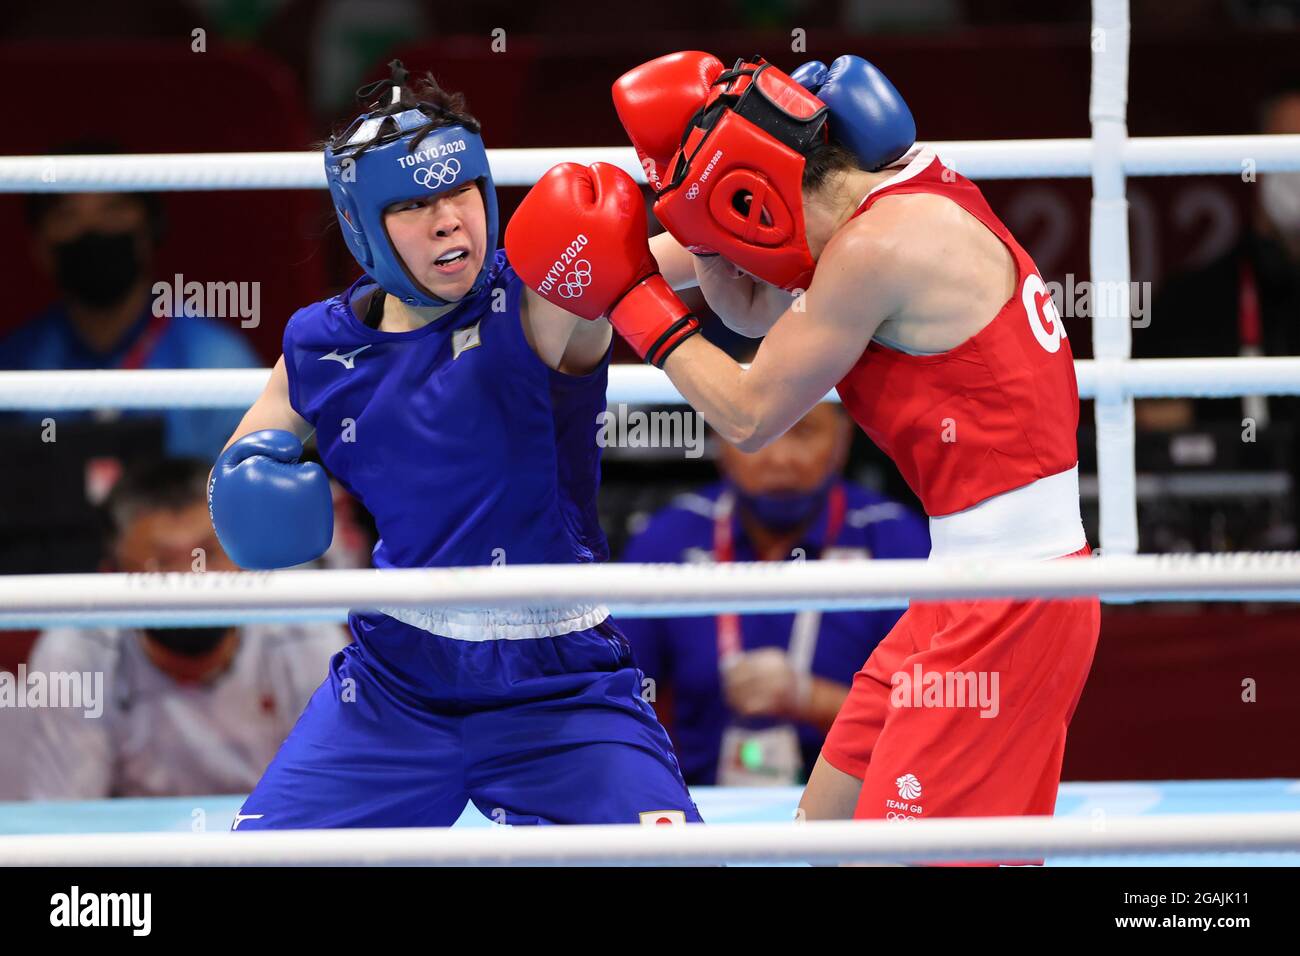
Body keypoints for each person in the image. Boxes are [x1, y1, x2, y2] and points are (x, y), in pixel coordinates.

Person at [506, 52, 1101, 836]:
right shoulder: (883, 186)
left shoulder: (874, 253)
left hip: (1017, 600)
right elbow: (721, 280)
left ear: (756, 200)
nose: (727, 260)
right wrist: (550, 268)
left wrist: (624, 299)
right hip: (960, 583)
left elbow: (749, 412)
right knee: (825, 834)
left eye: (723, 233)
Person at [207, 62, 699, 828]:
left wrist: (775, 223)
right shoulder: (319, 346)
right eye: (412, 203)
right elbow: (236, 475)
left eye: (459, 192)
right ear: (362, 223)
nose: (448, 221)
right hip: (393, 683)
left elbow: (697, 262)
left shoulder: (539, 289)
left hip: (560, 686)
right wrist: (246, 491)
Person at [620, 400, 929, 786]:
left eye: (803, 432)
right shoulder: (667, 538)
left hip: (859, 806)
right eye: (755, 433)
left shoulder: (896, 539)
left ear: (843, 440)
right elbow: (619, 703)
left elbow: (930, 719)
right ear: (720, 439)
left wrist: (812, 699)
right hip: (698, 808)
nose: (779, 459)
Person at [10, 459, 347, 800]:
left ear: (246, 560)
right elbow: (68, 822)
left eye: (211, 554)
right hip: (137, 850)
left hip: (274, 843)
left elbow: (336, 802)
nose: (193, 583)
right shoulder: (76, 652)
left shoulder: (302, 631)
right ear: (112, 575)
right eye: (163, 562)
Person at [0, 142, 259, 460]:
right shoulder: (16, 364)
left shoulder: (218, 361)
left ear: (149, 230)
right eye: (68, 215)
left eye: (113, 210)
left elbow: (240, 496)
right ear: (40, 246)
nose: (92, 230)